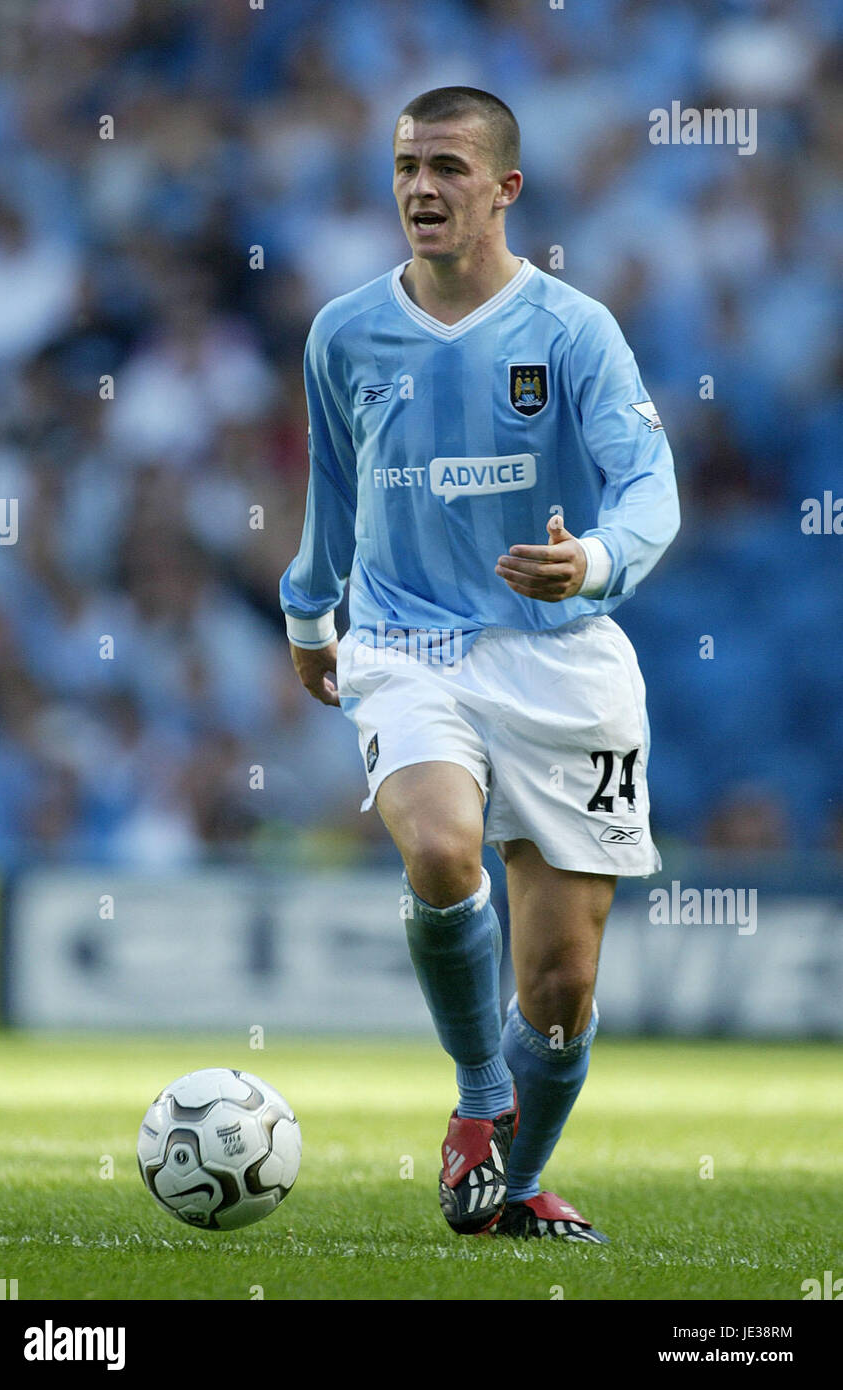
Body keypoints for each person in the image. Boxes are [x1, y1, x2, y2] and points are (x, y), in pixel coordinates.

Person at [280, 87, 679, 1242]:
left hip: (562, 661)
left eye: (448, 167)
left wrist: (595, 559)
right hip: (406, 643)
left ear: (505, 189)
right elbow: (333, 494)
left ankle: (509, 1184)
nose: (420, 187)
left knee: (557, 993)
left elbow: (648, 489)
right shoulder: (344, 331)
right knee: (445, 847)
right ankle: (476, 1099)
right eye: (406, 165)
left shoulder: (571, 331)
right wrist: (312, 617)